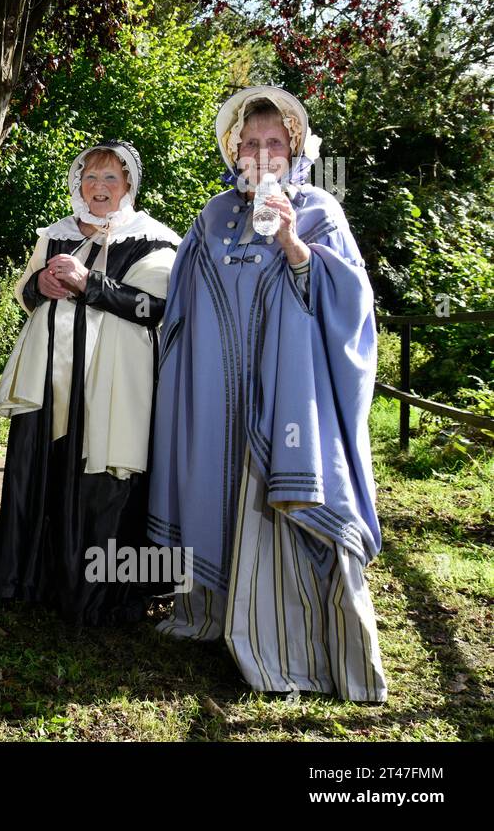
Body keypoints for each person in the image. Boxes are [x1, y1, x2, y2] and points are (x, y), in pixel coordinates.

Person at [148, 86, 388, 701]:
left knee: (279, 499)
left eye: (273, 143)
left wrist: (292, 244)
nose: (260, 154)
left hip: (290, 404)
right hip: (218, 397)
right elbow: (185, 305)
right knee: (214, 486)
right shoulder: (212, 216)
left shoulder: (318, 209)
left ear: (294, 148)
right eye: (249, 143)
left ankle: (289, 637)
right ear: (234, 150)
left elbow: (352, 309)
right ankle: (214, 611)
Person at [0, 140, 181, 624]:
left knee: (101, 477)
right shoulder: (55, 234)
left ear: (130, 185)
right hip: (48, 379)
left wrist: (88, 285)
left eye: (110, 179)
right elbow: (26, 292)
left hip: (113, 383)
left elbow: (153, 309)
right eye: (90, 178)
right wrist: (41, 286)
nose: (98, 188)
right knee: (43, 469)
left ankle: (98, 596)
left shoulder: (155, 240)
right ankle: (30, 579)